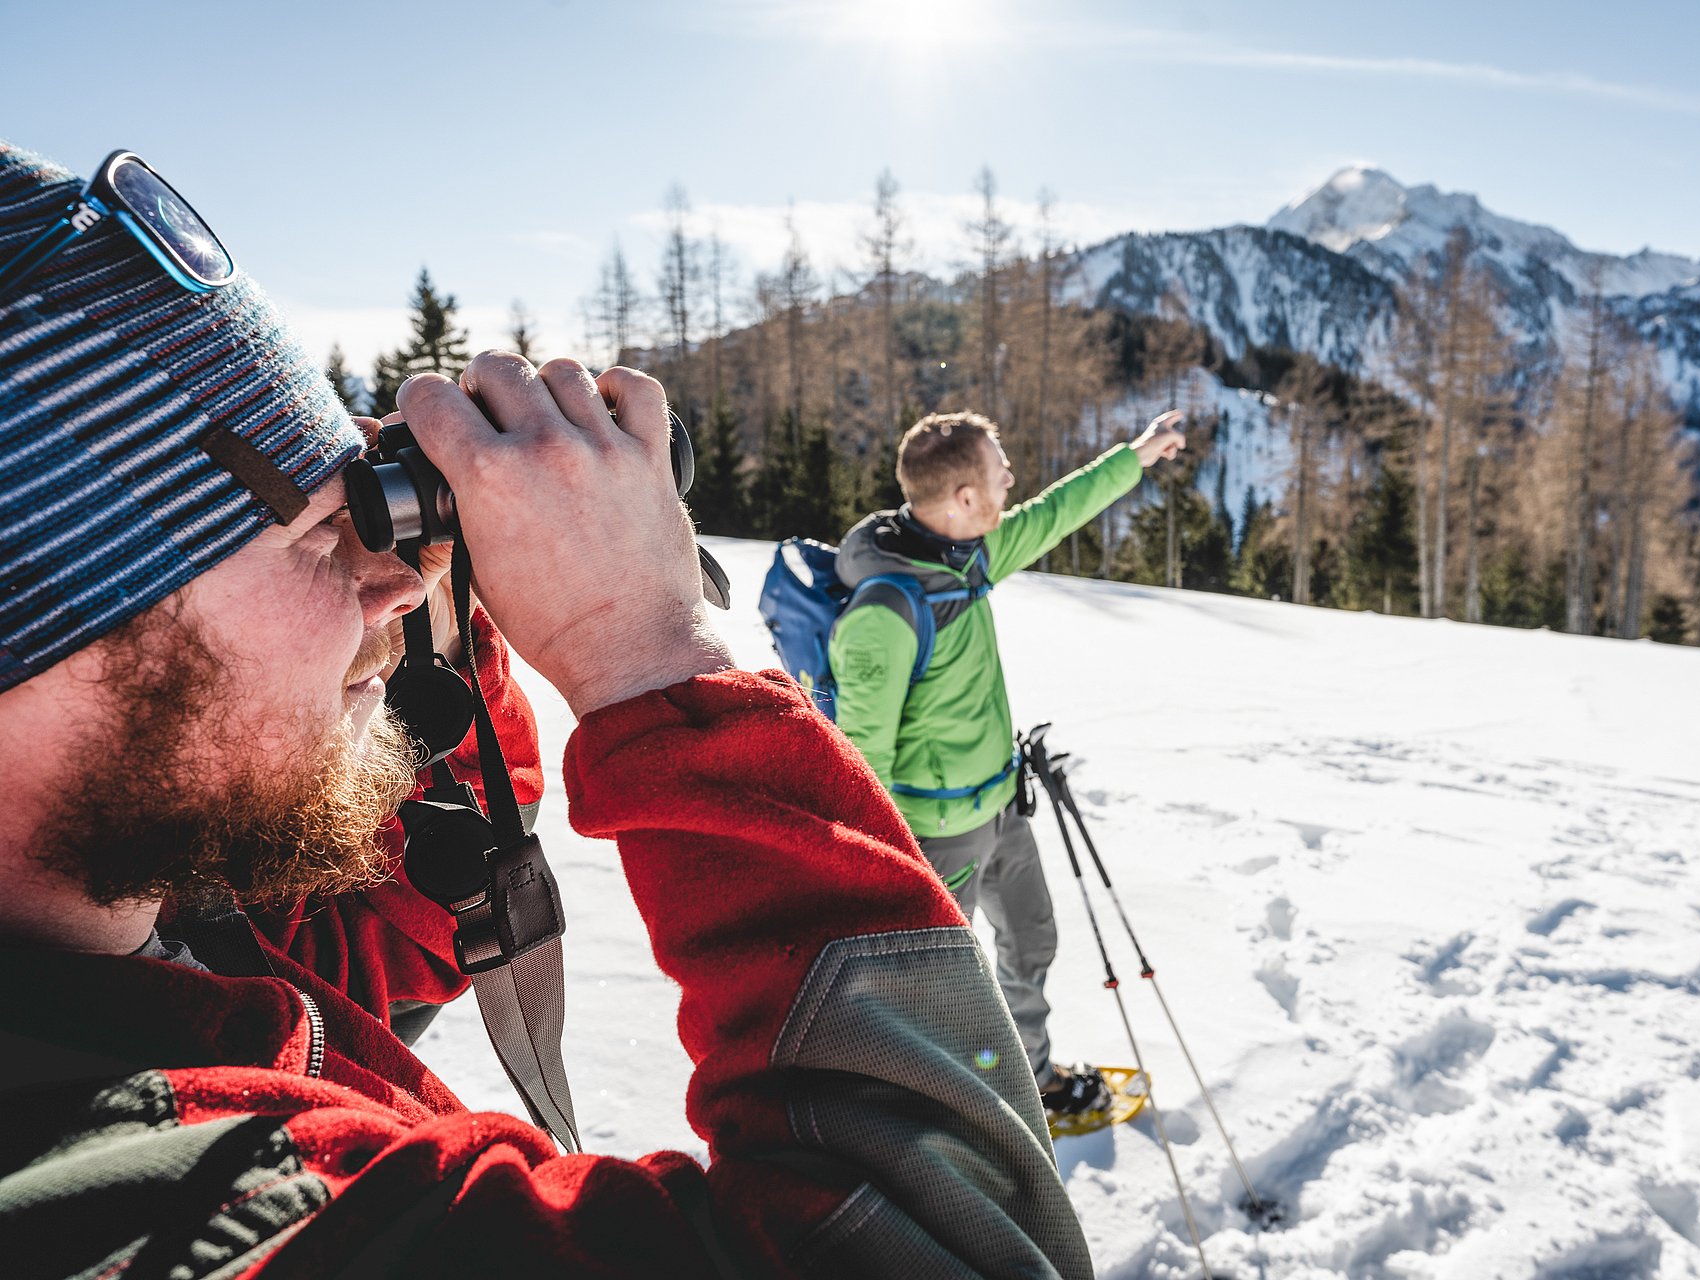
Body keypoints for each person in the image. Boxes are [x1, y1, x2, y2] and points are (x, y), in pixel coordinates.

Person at [0, 143, 1094, 1278]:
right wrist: (652, 649)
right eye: (311, 539)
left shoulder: (127, 930)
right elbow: (958, 1247)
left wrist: (444, 582)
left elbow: (410, 917)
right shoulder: (173, 1223)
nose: (388, 581)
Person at [828, 409, 1186, 1113]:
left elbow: (1056, 511)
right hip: (937, 836)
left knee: (1032, 941)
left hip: (1003, 810)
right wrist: (883, 866)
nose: (1012, 483)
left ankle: (1034, 1080)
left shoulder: (973, 554)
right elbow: (859, 759)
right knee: (941, 987)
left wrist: (1137, 457)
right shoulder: (884, 612)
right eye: (1000, 473)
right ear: (965, 498)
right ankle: (950, 1113)